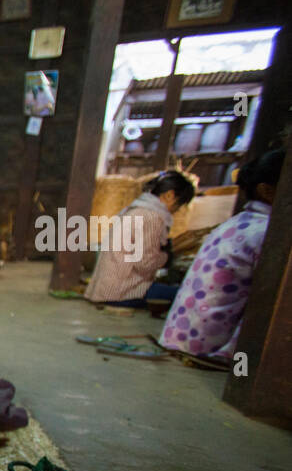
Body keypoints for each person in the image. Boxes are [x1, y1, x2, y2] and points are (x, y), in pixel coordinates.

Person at [160, 148, 284, 358]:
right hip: (207, 349)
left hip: (179, 338)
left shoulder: (236, 224)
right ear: (268, 191)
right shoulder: (266, 234)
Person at [84, 171, 195, 307]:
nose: (177, 210)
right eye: (179, 205)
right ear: (169, 195)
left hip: (103, 289)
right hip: (120, 293)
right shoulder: (152, 217)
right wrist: (166, 258)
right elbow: (144, 264)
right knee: (185, 294)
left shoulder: (135, 209)